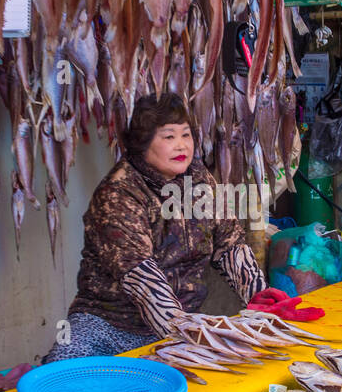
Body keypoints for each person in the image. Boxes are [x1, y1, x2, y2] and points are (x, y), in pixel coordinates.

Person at [42, 93, 267, 362]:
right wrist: (190, 337)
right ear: (142, 143)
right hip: (110, 325)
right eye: (168, 137)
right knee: (63, 369)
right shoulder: (120, 192)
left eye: (186, 135)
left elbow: (229, 244)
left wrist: (263, 301)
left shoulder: (199, 179)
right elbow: (144, 283)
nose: (181, 145)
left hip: (182, 321)